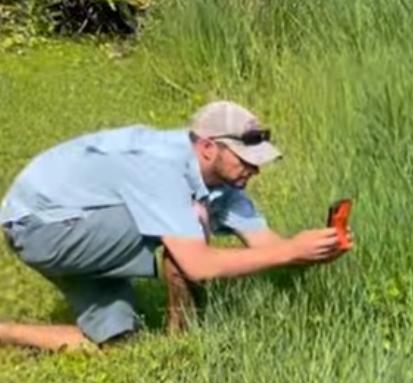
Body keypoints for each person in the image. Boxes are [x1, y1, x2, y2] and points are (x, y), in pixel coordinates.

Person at [0, 101, 348, 353]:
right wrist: (290, 251)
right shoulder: (161, 167)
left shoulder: (224, 182)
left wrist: (315, 251)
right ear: (209, 148)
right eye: (246, 161)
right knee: (189, 223)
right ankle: (183, 343)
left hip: (80, 220)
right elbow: (199, 264)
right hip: (41, 227)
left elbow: (267, 245)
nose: (254, 171)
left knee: (119, 346)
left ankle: (7, 333)